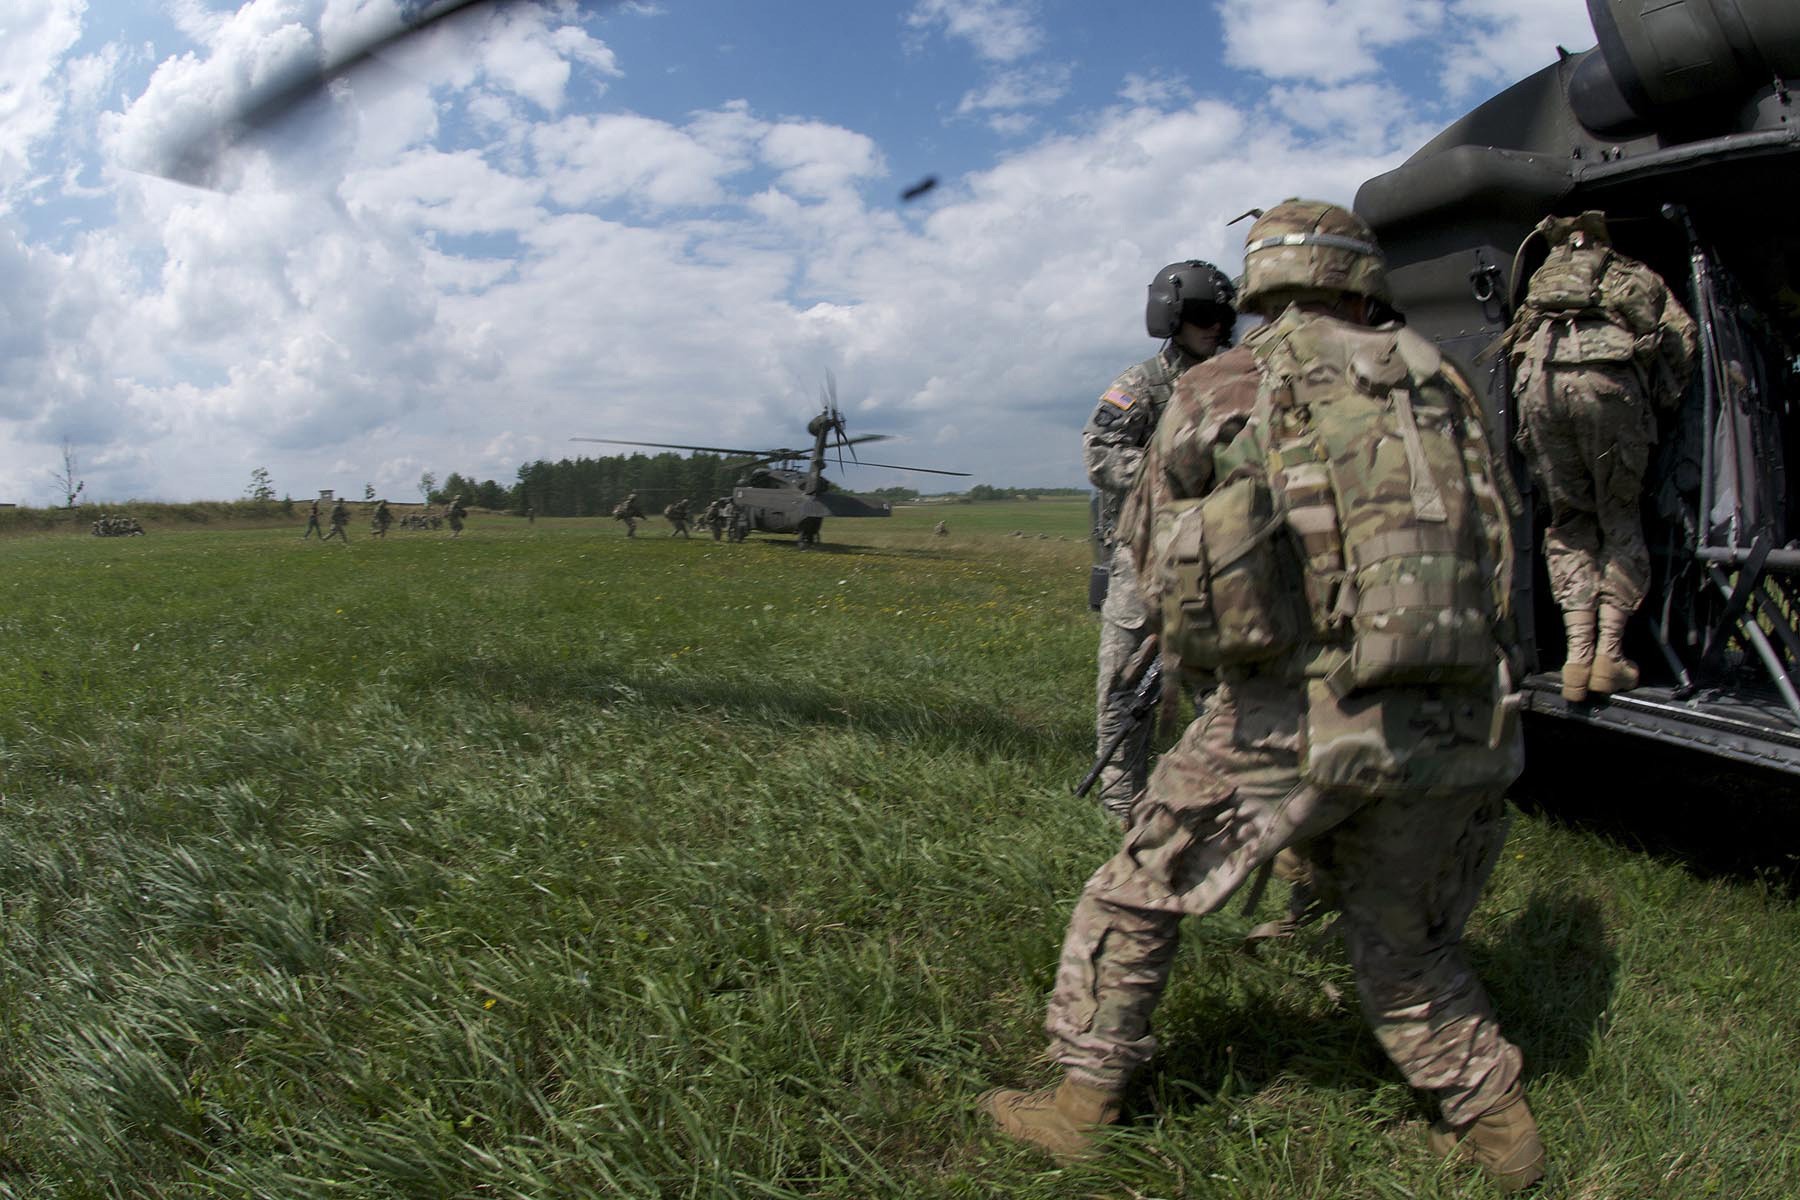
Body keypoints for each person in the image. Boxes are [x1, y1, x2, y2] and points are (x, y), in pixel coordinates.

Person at [981, 200, 1543, 1193]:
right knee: (1404, 941)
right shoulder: (1441, 378)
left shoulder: (1223, 381)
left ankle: (1081, 1105)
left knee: (1136, 891)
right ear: (1360, 278)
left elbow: (1154, 558)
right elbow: (1501, 543)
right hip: (1460, 713)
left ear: (1265, 285)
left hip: (1292, 715)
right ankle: (1496, 1121)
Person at [1501, 211, 1697, 701]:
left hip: (1540, 387)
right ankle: (1610, 655)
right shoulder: (1633, 274)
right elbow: (1681, 340)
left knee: (1569, 521)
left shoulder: (1544, 283)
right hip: (1608, 389)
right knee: (1619, 516)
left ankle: (1576, 657)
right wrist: (1661, 403)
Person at [1081, 259, 1237, 822]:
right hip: (1144, 555)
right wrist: (1175, 472)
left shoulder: (1238, 382)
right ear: (1171, 318)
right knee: (1126, 683)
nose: (1214, 327)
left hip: (1219, 557)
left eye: (1221, 316)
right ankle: (1122, 804)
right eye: (1200, 316)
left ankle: (1214, 797)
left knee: (1220, 685)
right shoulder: (1143, 384)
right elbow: (1099, 453)